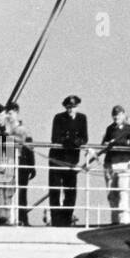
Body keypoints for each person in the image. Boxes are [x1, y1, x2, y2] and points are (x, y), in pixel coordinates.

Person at [49, 94, 88, 227]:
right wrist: (72, 141)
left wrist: (73, 142)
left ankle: (66, 219)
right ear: (65, 107)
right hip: (57, 160)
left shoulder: (82, 119)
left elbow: (84, 138)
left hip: (71, 161)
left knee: (71, 191)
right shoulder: (59, 118)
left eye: (73, 107)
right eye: (69, 107)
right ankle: (56, 220)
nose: (71, 109)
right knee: (55, 190)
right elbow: (55, 138)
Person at [101, 105, 130, 224]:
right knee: (112, 194)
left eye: (119, 115)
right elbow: (104, 144)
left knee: (122, 191)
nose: (116, 117)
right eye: (115, 115)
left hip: (123, 162)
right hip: (110, 163)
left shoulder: (129, 128)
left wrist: (118, 142)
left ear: (123, 114)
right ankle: (115, 220)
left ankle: (124, 220)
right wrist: (107, 144)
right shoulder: (110, 129)